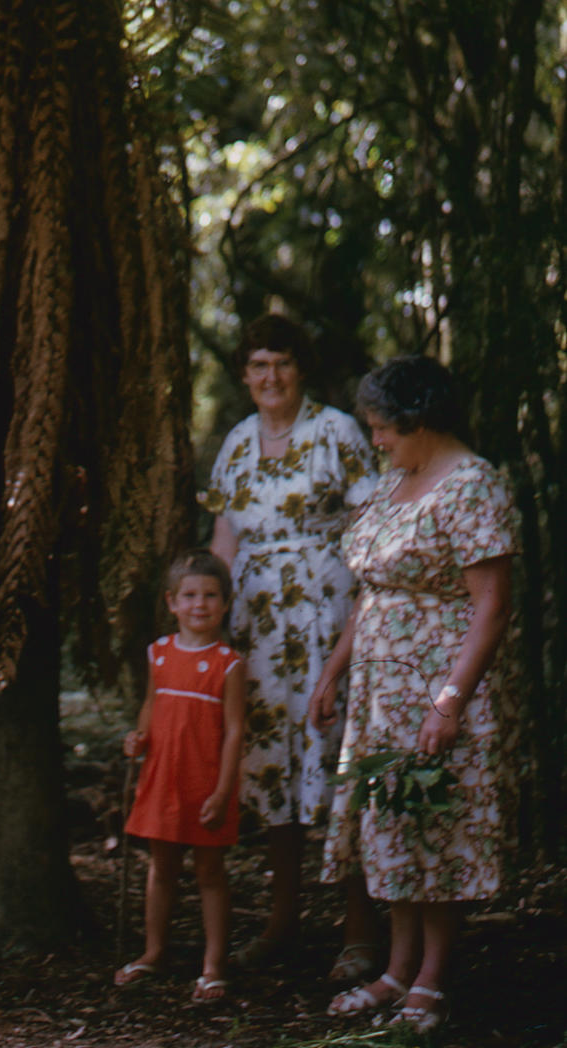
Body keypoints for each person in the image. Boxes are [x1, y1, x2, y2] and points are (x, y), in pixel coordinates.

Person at [311, 355, 518, 1032]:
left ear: (418, 419)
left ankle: (431, 979)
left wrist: (448, 700)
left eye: (381, 427)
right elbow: (373, 592)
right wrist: (333, 671)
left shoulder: (471, 484)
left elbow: (490, 604)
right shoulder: (392, 481)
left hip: (435, 685)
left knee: (435, 827)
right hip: (378, 693)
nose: (374, 440)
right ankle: (394, 971)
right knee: (391, 828)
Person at [205, 312, 379, 976]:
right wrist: (212, 634)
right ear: (244, 376)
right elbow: (225, 540)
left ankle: (357, 931)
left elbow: (370, 527)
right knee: (271, 769)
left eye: (280, 362)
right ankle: (282, 924)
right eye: (257, 366)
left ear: (298, 368)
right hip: (255, 627)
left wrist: (365, 612)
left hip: (326, 618)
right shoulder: (238, 441)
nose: (269, 376)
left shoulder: (336, 431)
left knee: (335, 760)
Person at [114, 551, 246, 1005]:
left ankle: (213, 965)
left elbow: (234, 732)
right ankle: (153, 951)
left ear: (225, 604)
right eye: (190, 595)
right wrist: (139, 736)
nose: (200, 604)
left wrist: (224, 789)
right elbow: (152, 703)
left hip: (205, 782)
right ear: (172, 602)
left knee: (210, 872)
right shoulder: (160, 653)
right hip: (162, 776)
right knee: (162, 867)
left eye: (211, 596)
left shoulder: (228, 662)